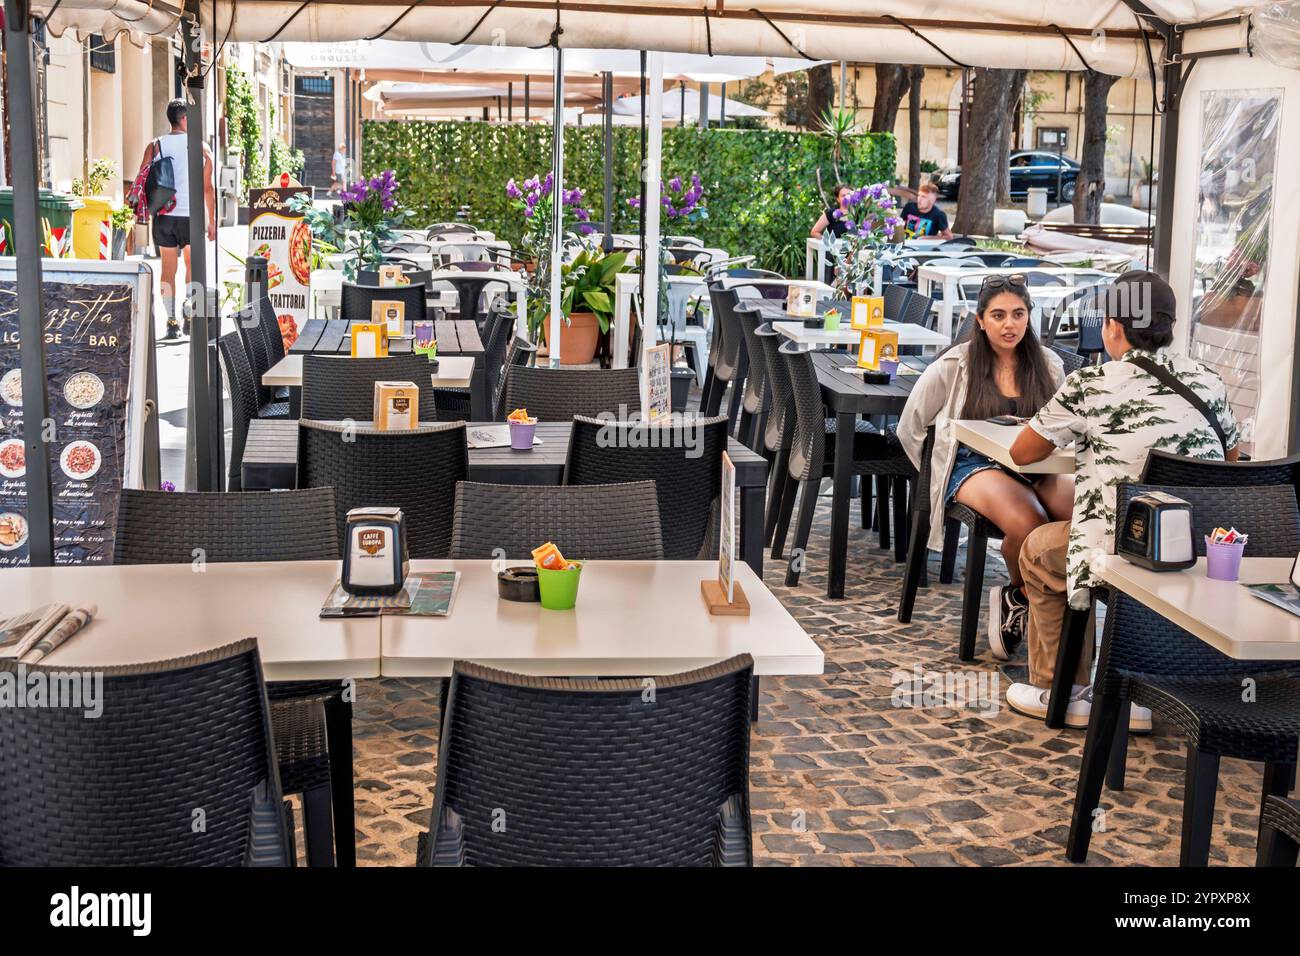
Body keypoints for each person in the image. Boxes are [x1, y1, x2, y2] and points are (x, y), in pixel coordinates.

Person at [1007, 270, 1240, 729]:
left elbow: (1023, 453)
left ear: (1113, 326)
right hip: (1193, 550)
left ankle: (1065, 691)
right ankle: (1139, 688)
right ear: (1169, 328)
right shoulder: (1209, 381)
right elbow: (1229, 459)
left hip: (1122, 552)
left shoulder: (1090, 384)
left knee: (1038, 549)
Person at [897, 276, 1072, 657]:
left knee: (1079, 513)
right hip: (972, 464)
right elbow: (910, 427)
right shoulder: (954, 365)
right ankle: (1033, 601)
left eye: (1018, 314)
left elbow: (1065, 425)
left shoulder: (1050, 366)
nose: (1009, 324)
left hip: (1035, 463)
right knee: (1030, 522)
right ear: (980, 320)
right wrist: (934, 479)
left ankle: (1020, 597)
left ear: (1029, 318)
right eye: (998, 315)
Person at [135, 98, 216, 341]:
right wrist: (212, 220)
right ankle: (189, 314)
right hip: (191, 216)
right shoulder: (201, 147)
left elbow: (143, 178)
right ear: (183, 118)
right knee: (193, 265)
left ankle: (171, 321)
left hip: (164, 216)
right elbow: (207, 188)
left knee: (167, 269)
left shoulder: (156, 145)